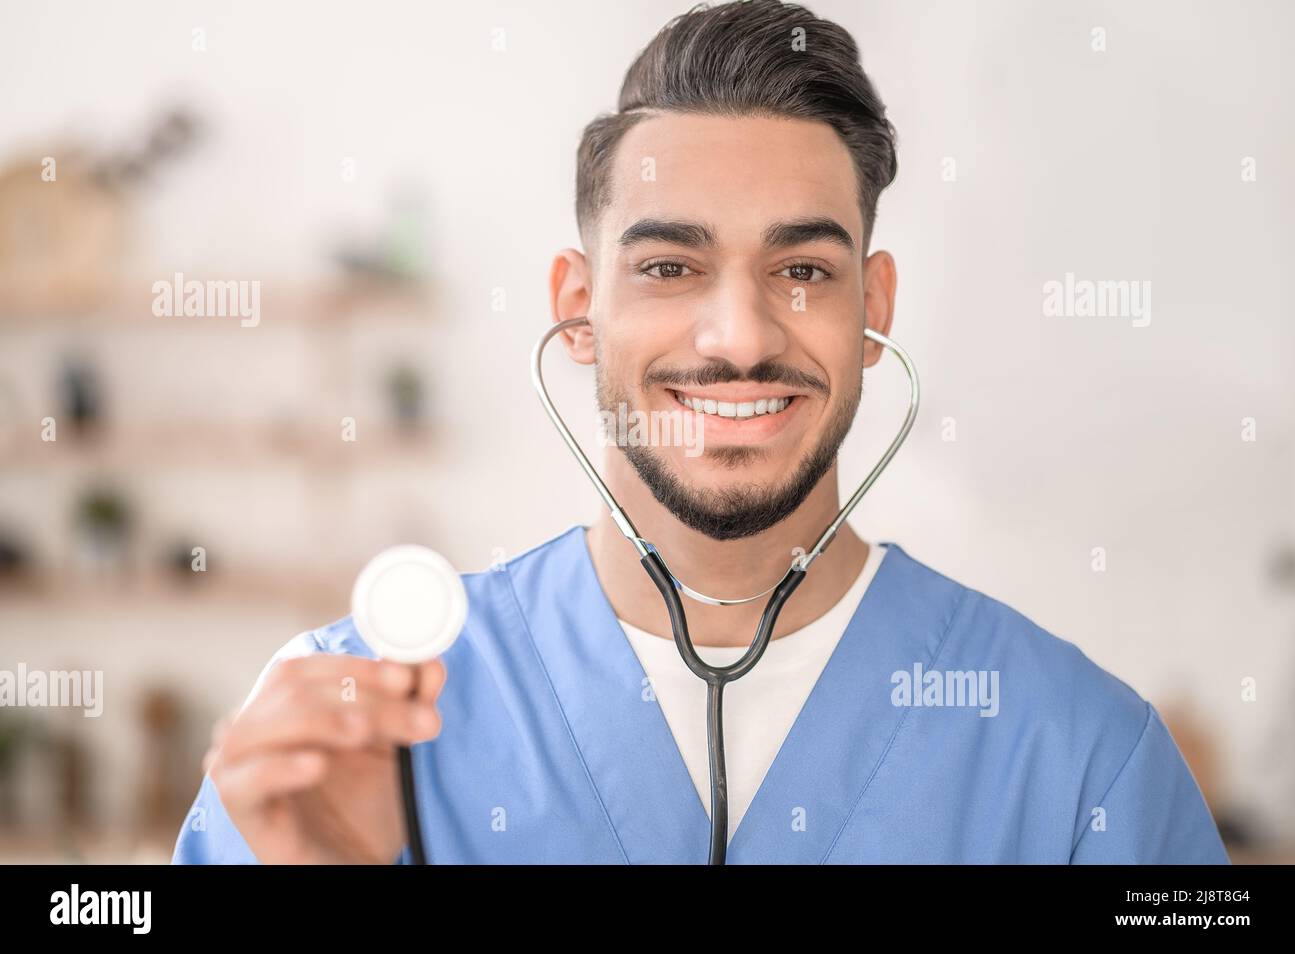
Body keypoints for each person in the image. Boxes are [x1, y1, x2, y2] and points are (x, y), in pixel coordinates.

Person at [173, 0, 1229, 864]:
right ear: (577, 311)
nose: (737, 338)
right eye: (669, 267)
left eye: (802, 270)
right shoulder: (344, 724)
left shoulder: (1086, 758)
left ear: (875, 310)